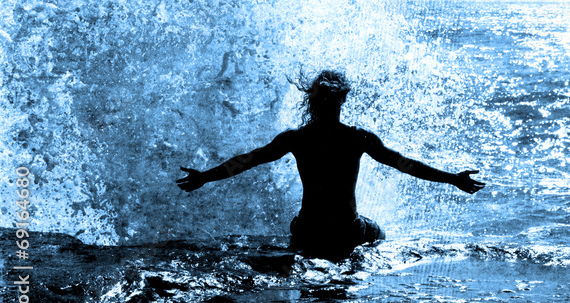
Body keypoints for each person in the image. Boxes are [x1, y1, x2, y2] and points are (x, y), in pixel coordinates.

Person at [176, 70, 485, 261]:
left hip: (309, 231)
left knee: (299, 231)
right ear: (343, 100)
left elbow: (247, 161)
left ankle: (301, 258)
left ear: (312, 101)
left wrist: (205, 177)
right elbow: (406, 166)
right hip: (346, 232)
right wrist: (453, 179)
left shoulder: (296, 138)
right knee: (378, 234)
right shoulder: (358, 139)